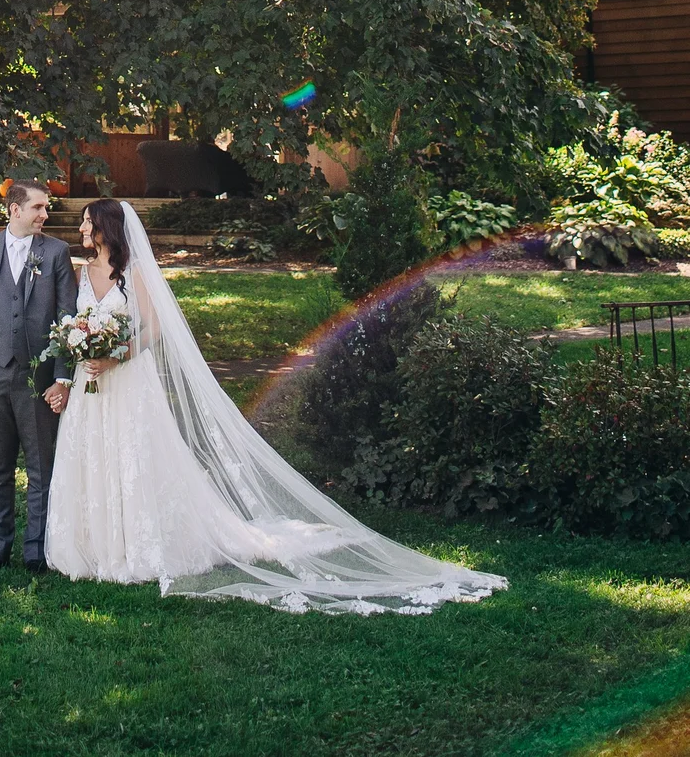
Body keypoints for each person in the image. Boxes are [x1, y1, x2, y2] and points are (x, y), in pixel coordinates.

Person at [44, 196, 508, 614]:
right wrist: (85, 353)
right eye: (83, 224)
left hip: (128, 384)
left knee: (134, 461)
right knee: (94, 461)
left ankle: (136, 547)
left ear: (107, 227)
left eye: (88, 223)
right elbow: (76, 323)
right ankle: (93, 546)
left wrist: (117, 354)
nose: (83, 230)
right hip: (92, 388)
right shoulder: (85, 272)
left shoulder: (136, 273)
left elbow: (154, 330)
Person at [0, 179, 78, 570]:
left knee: (41, 468)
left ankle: (36, 552)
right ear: (15, 210)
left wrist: (62, 376)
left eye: (46, 208)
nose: (46, 214)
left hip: (38, 377)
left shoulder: (57, 253)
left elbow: (67, 319)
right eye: (39, 207)